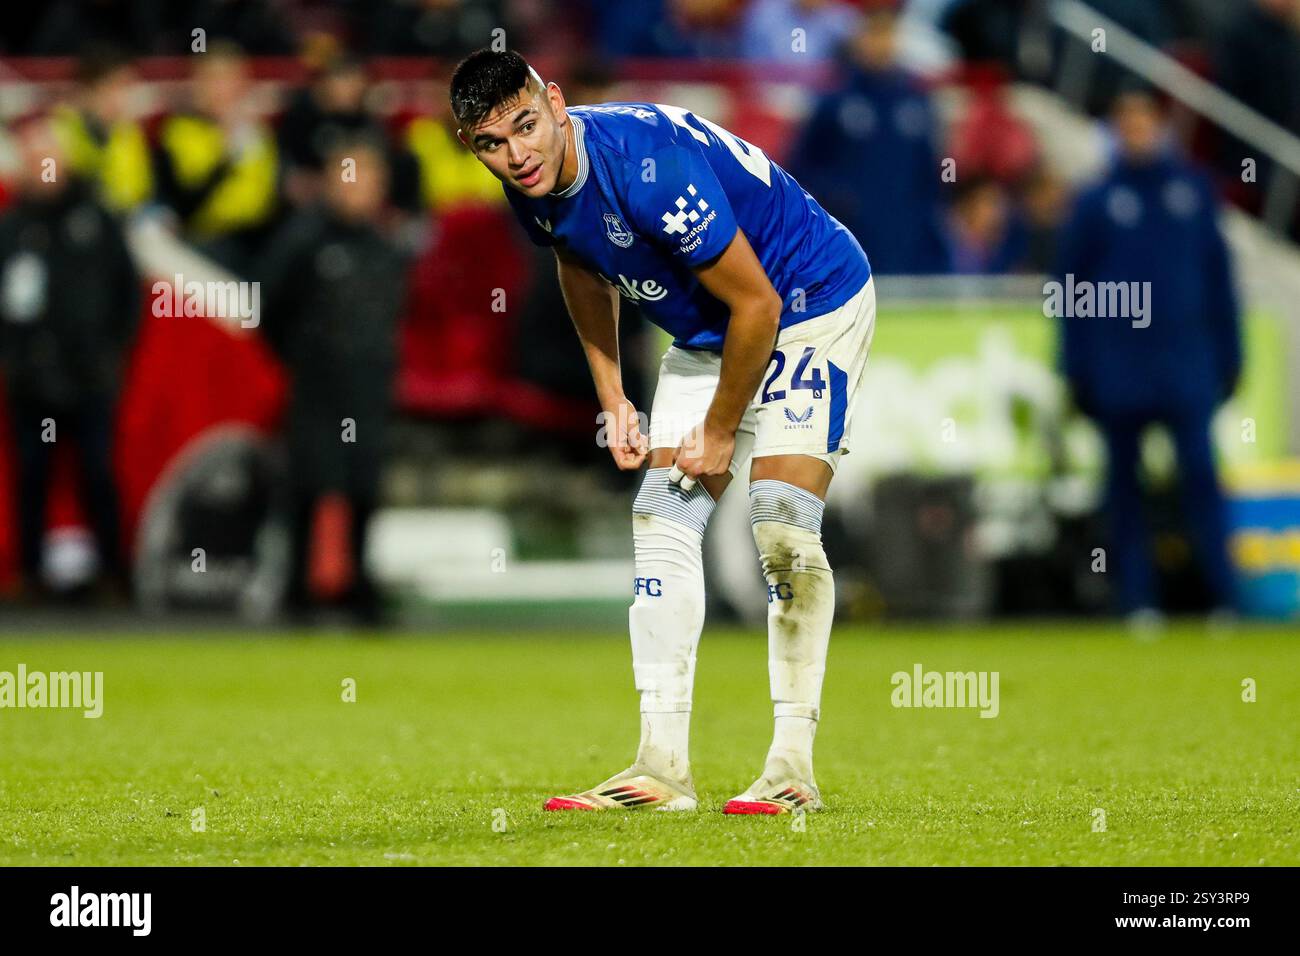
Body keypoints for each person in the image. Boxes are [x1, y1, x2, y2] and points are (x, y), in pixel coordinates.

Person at [450, 49, 876, 814]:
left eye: (525, 127)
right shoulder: (535, 178)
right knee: (663, 518)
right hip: (713, 330)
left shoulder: (653, 171)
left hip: (807, 305)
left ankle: (791, 769)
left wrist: (716, 431)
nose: (516, 154)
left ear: (555, 101)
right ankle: (660, 768)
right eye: (492, 143)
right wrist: (613, 398)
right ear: (471, 147)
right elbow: (577, 263)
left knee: (780, 523)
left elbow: (759, 309)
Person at [1055, 88, 1241, 620]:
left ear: (1160, 127)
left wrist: (1231, 357)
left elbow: (1220, 284)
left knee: (1201, 479)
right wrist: (1076, 369)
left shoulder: (1193, 191)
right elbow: (1068, 291)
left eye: (1144, 121)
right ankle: (1136, 602)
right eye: (1126, 122)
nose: (1135, 131)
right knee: (1123, 490)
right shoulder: (1095, 201)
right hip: (1120, 369)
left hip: (1186, 365)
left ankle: (1223, 599)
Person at [257, 137, 408, 624]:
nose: (362, 187)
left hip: (368, 383)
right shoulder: (302, 241)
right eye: (353, 175)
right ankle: (297, 588)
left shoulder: (385, 246)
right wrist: (303, 355)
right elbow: (269, 309)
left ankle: (360, 586)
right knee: (308, 482)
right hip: (316, 384)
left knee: (364, 483)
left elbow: (393, 312)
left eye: (370, 177)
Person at [0, 114, 139, 599]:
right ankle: (31, 574)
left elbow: (128, 294)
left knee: (98, 471)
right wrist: (14, 359)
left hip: (90, 376)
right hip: (32, 380)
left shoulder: (96, 219)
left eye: (50, 158)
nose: (43, 168)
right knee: (32, 476)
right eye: (34, 159)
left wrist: (111, 353)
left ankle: (112, 572)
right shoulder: (13, 226)